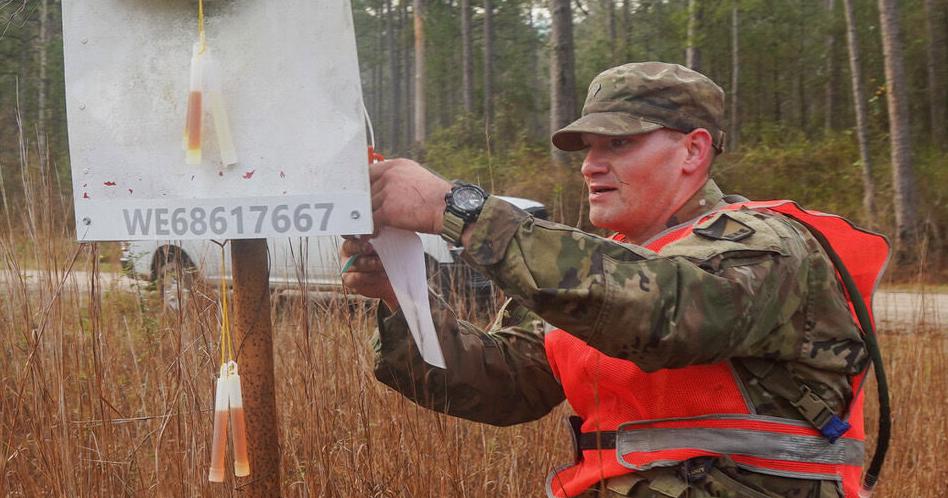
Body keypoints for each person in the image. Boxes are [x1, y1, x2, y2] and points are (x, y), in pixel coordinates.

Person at [341, 62, 889, 498]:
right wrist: (399, 294)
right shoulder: (598, 266)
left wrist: (458, 210)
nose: (590, 166)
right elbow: (508, 387)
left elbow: (665, 316)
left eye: (619, 144)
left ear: (694, 150)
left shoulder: (768, 246)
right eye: (588, 149)